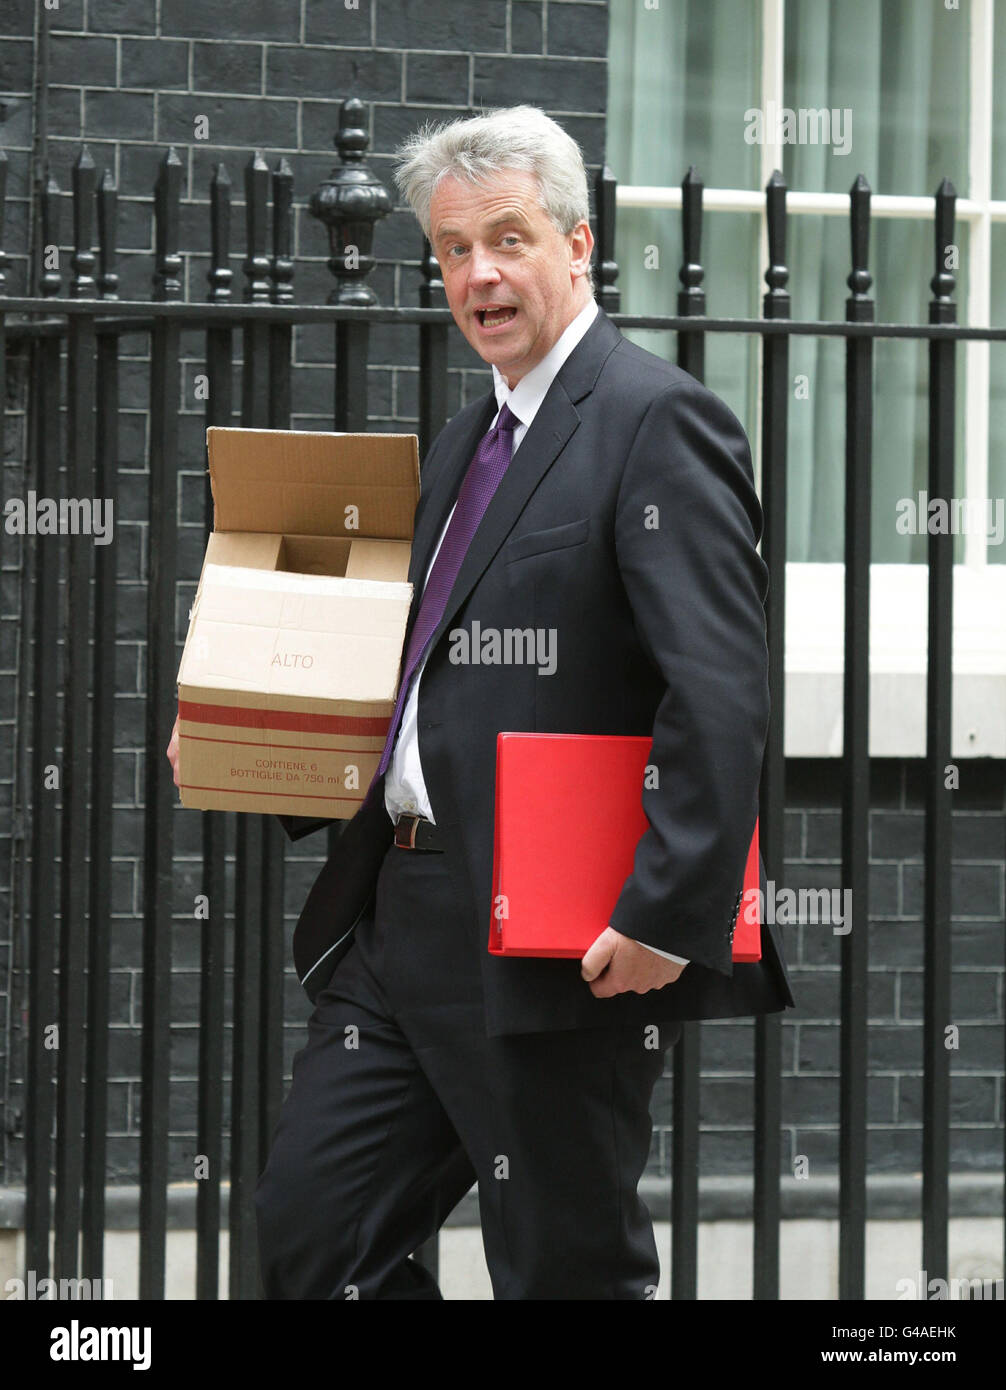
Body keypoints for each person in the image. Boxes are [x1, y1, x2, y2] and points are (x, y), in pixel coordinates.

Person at [168, 104, 793, 1299]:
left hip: (558, 934)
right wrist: (251, 732)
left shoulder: (655, 421)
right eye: (454, 249)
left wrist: (666, 912)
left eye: (506, 239)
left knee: (565, 1267)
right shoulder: (466, 442)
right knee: (315, 1230)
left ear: (578, 245)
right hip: (401, 916)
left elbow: (716, 689)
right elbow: (404, 675)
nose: (480, 274)